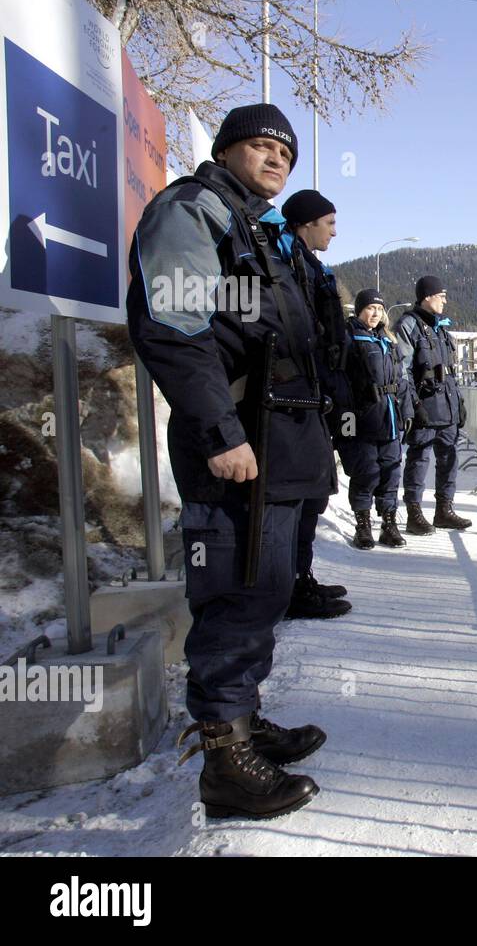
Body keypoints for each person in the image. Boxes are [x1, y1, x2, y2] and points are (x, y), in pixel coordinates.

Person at [128, 103, 329, 820]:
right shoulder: (194, 209)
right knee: (236, 592)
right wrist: (220, 433)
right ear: (226, 148)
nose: (276, 158)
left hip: (277, 439)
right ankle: (224, 763)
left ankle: (244, 720)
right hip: (238, 439)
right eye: (262, 145)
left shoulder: (258, 226)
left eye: (287, 152)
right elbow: (174, 331)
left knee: (265, 589)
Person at [280, 188, 351, 619]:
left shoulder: (310, 267)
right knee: (300, 496)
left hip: (313, 394)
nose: (334, 232)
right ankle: (288, 586)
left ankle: (299, 578)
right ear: (307, 223)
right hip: (296, 396)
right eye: (329, 223)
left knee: (311, 495)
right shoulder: (289, 264)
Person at [335, 288, 413, 549]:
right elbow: (338, 380)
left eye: (379, 309)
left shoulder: (388, 341)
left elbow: (401, 380)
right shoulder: (348, 337)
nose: (376, 313)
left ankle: (389, 525)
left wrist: (409, 411)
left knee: (391, 472)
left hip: (389, 419)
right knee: (365, 472)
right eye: (370, 308)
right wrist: (344, 419)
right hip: (362, 419)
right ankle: (363, 525)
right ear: (359, 310)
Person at [396, 276, 471, 531]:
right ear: (427, 296)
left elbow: (450, 372)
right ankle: (414, 514)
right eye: (441, 296)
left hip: (447, 408)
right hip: (425, 408)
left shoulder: (441, 330)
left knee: (449, 459)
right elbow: (402, 370)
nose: (445, 301)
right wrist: (413, 405)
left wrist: (459, 402)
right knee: (419, 459)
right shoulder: (409, 325)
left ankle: (444, 510)